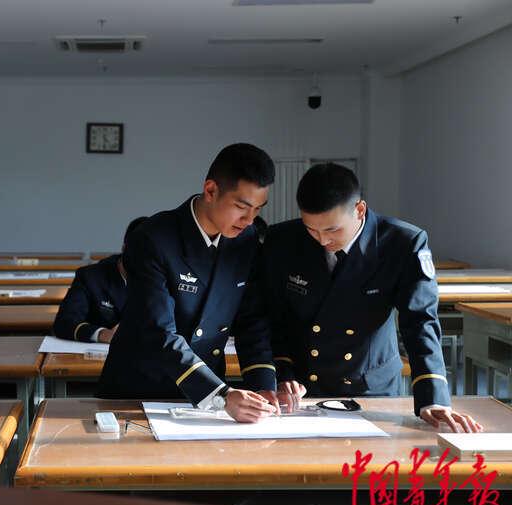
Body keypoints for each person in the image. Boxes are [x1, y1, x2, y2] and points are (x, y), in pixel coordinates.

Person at [249, 162, 481, 433]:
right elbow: (274, 316)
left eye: (333, 230)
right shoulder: (283, 240)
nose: (323, 240)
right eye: (312, 229)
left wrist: (433, 397)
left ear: (360, 210)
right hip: (301, 388)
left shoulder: (402, 243)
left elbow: (420, 322)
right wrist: (282, 374)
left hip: (369, 385)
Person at [98, 143, 285, 423]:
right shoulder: (153, 238)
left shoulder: (245, 241)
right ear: (210, 190)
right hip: (141, 389)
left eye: (258, 209)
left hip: (209, 391)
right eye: (241, 207)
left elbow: (252, 321)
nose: (249, 220)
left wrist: (263, 385)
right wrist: (220, 396)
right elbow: (159, 331)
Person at [53, 216, 147, 343]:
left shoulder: (167, 278)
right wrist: (102, 334)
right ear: (124, 248)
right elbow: (64, 323)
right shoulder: (90, 277)